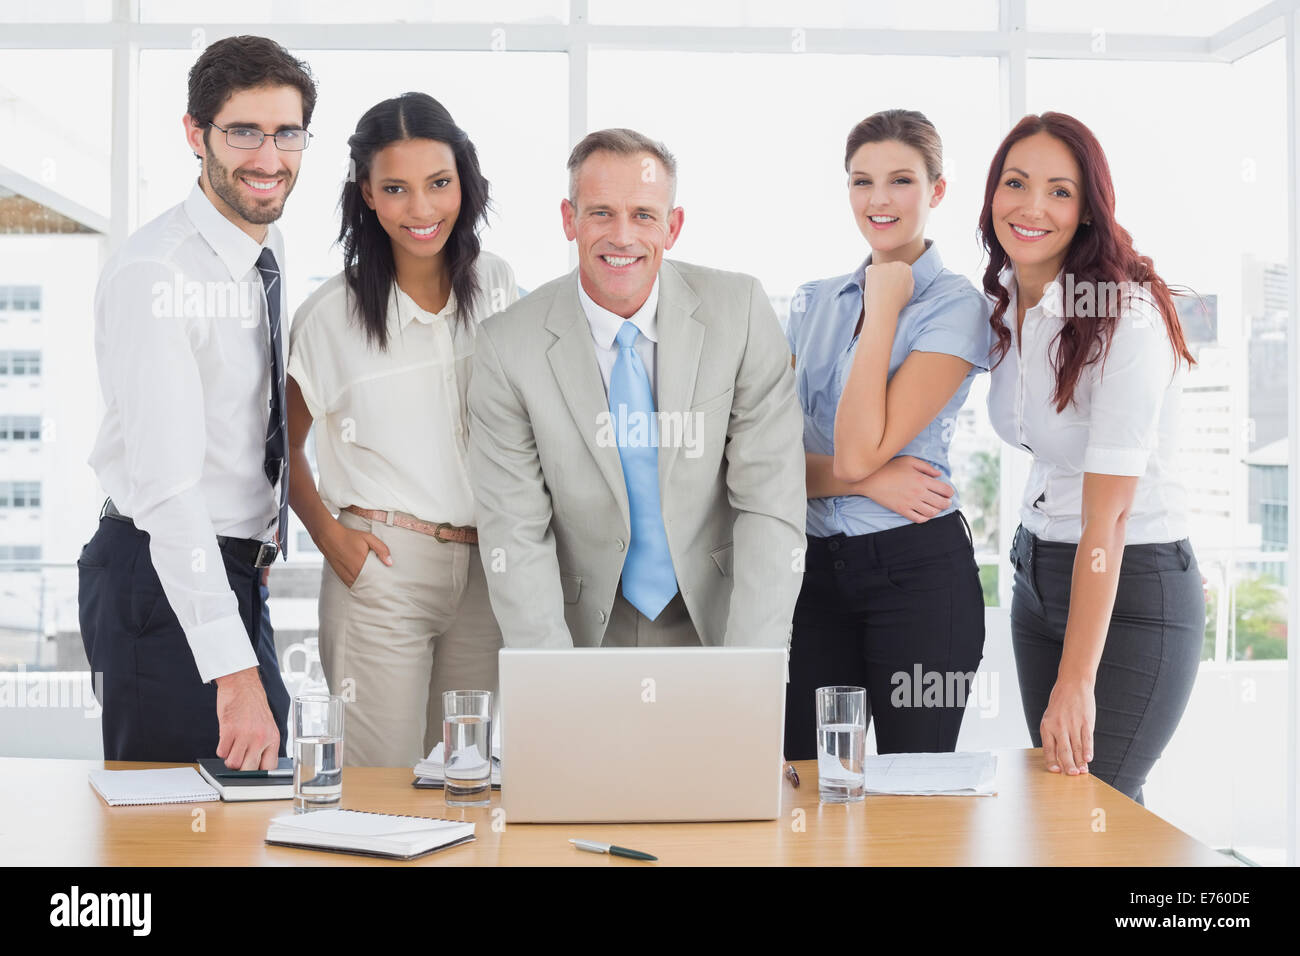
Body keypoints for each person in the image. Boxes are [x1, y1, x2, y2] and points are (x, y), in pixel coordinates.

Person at [468, 128, 805, 650]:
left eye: (643, 215)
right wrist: (555, 679)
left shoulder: (739, 312)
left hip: (721, 614)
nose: (622, 236)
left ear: (672, 227)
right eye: (601, 212)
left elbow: (769, 501)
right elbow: (515, 531)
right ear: (568, 219)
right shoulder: (506, 346)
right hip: (580, 627)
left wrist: (748, 665)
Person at [79, 36, 317, 767]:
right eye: (243, 131)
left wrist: (254, 545)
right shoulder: (159, 272)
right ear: (195, 133)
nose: (268, 158)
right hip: (164, 573)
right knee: (175, 827)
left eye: (287, 133)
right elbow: (169, 490)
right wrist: (234, 671)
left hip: (227, 573)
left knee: (246, 813)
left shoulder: (256, 259)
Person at [286, 93, 515, 768]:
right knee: (378, 786)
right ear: (367, 194)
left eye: (438, 184)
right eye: (396, 189)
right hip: (382, 568)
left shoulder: (498, 285)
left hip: (483, 573)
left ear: (463, 183)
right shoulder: (330, 316)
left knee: (459, 778)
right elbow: (281, 450)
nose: (422, 210)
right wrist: (333, 540)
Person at [981, 112, 1203, 803]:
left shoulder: (1126, 317)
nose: (1031, 206)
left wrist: (1077, 680)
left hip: (1130, 583)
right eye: (1015, 183)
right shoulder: (1010, 303)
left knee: (1097, 806)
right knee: (1060, 807)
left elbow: (1108, 520)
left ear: (1087, 212)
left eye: (1059, 191)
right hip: (1036, 572)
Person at [782, 110, 992, 760]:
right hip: (810, 574)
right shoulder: (811, 302)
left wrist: (885, 306)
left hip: (918, 575)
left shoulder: (958, 306)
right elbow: (765, 461)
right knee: (804, 782)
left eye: (901, 180)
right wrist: (870, 477)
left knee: (915, 794)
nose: (878, 199)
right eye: (860, 180)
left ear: (937, 189)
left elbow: (849, 448)